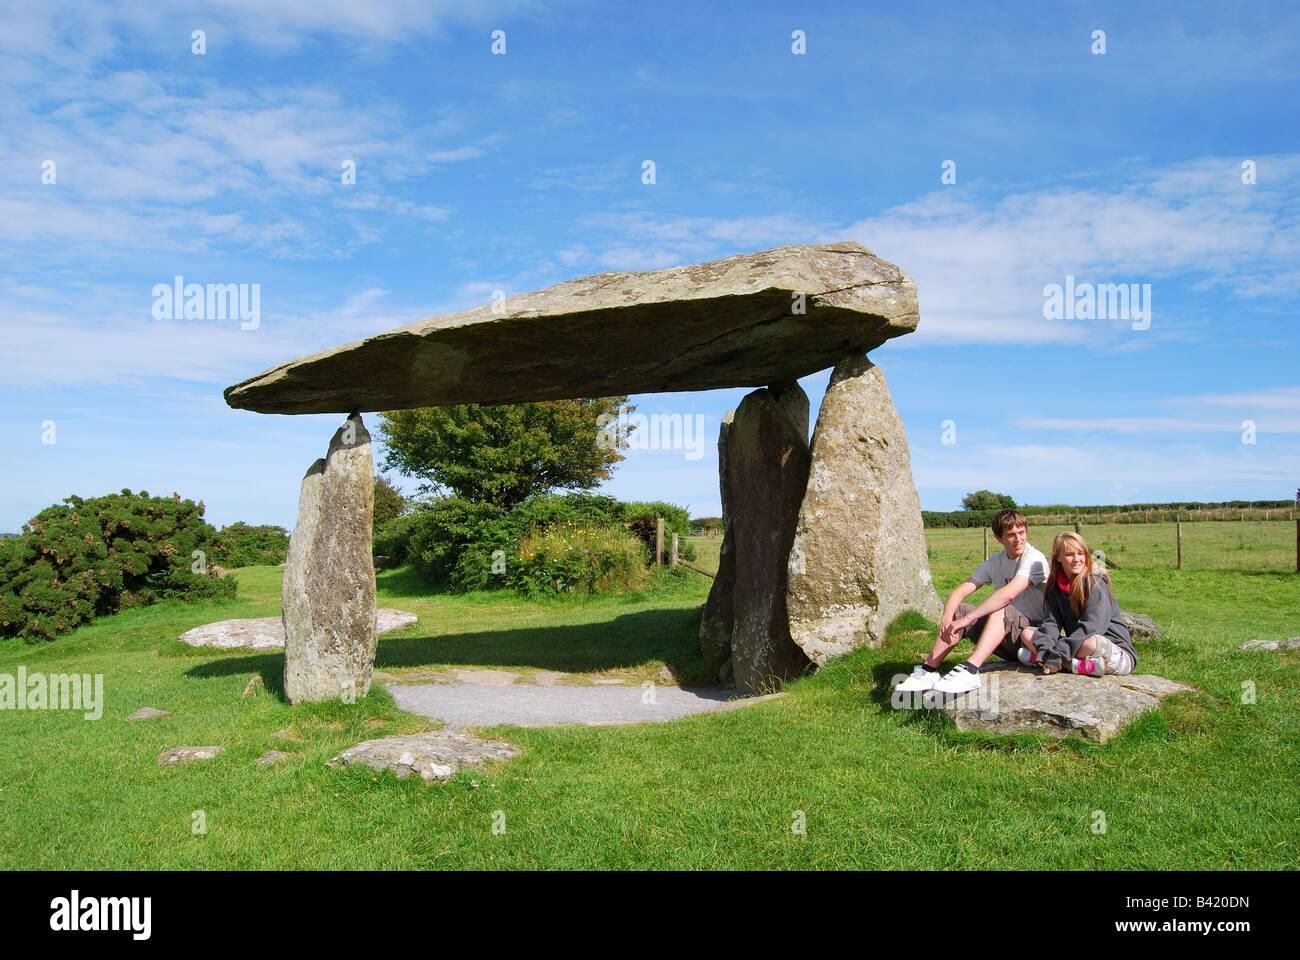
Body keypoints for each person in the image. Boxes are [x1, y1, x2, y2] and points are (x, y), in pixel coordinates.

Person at [895, 508, 1049, 695]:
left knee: (1001, 608)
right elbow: (959, 592)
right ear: (998, 538)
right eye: (1011, 535)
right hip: (1006, 636)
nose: (1018, 539)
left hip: (1031, 635)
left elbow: (1008, 594)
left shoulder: (1034, 558)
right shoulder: (996, 561)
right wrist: (946, 619)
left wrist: (968, 620)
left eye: (1021, 532)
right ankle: (928, 671)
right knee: (959, 610)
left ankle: (970, 669)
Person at [1019, 531, 1136, 676]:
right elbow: (1051, 623)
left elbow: (1094, 626)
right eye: (1069, 555)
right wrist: (1045, 648)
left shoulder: (1095, 582)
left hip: (1111, 650)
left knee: (1089, 643)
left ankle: (1051, 662)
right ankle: (1073, 665)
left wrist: (1059, 651)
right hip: (1076, 645)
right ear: (1058, 558)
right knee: (1027, 634)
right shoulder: (1054, 586)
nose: (1077, 559)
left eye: (1081, 553)